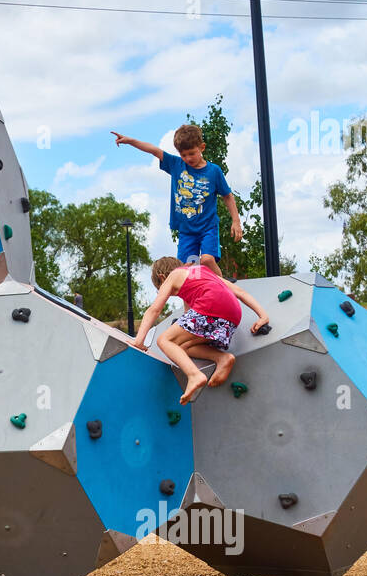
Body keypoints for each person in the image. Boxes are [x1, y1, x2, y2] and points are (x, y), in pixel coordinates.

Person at [132, 256, 270, 405]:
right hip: (232, 315)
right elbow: (239, 291)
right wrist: (263, 316)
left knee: (164, 340)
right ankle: (222, 358)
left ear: (162, 277)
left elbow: (154, 309)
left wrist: (139, 341)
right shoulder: (202, 272)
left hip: (210, 305)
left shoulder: (174, 275)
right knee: (181, 348)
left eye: (160, 288)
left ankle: (194, 375)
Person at [112, 124, 241, 279]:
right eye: (183, 155)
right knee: (186, 271)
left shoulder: (213, 171)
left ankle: (224, 288)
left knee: (207, 259)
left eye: (192, 153)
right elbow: (153, 150)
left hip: (208, 227)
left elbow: (227, 196)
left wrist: (236, 221)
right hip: (186, 231)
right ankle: (189, 304)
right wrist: (130, 141)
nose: (188, 159)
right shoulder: (176, 165)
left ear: (202, 147)